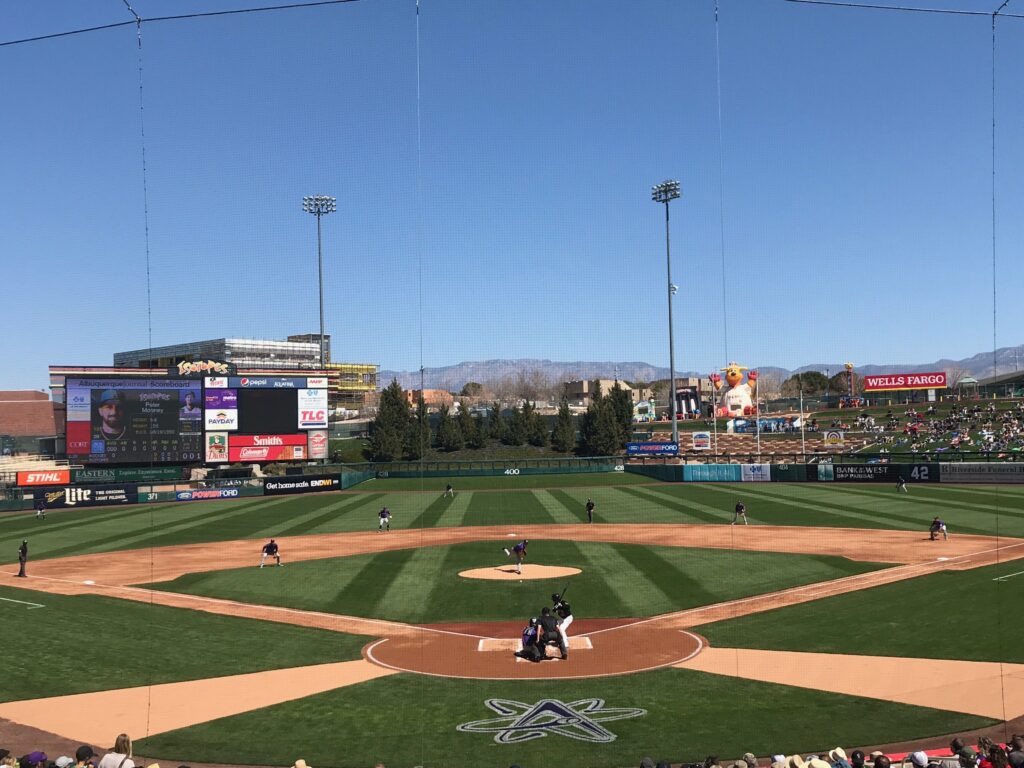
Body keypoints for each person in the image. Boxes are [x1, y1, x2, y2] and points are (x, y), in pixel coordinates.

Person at [552, 592, 573, 657]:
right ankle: (558, 640)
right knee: (555, 624)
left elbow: (568, 607)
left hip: (568, 618)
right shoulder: (556, 604)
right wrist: (556, 607)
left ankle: (566, 644)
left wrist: (561, 605)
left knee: (561, 628)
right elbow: (554, 610)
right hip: (562, 619)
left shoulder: (563, 602)